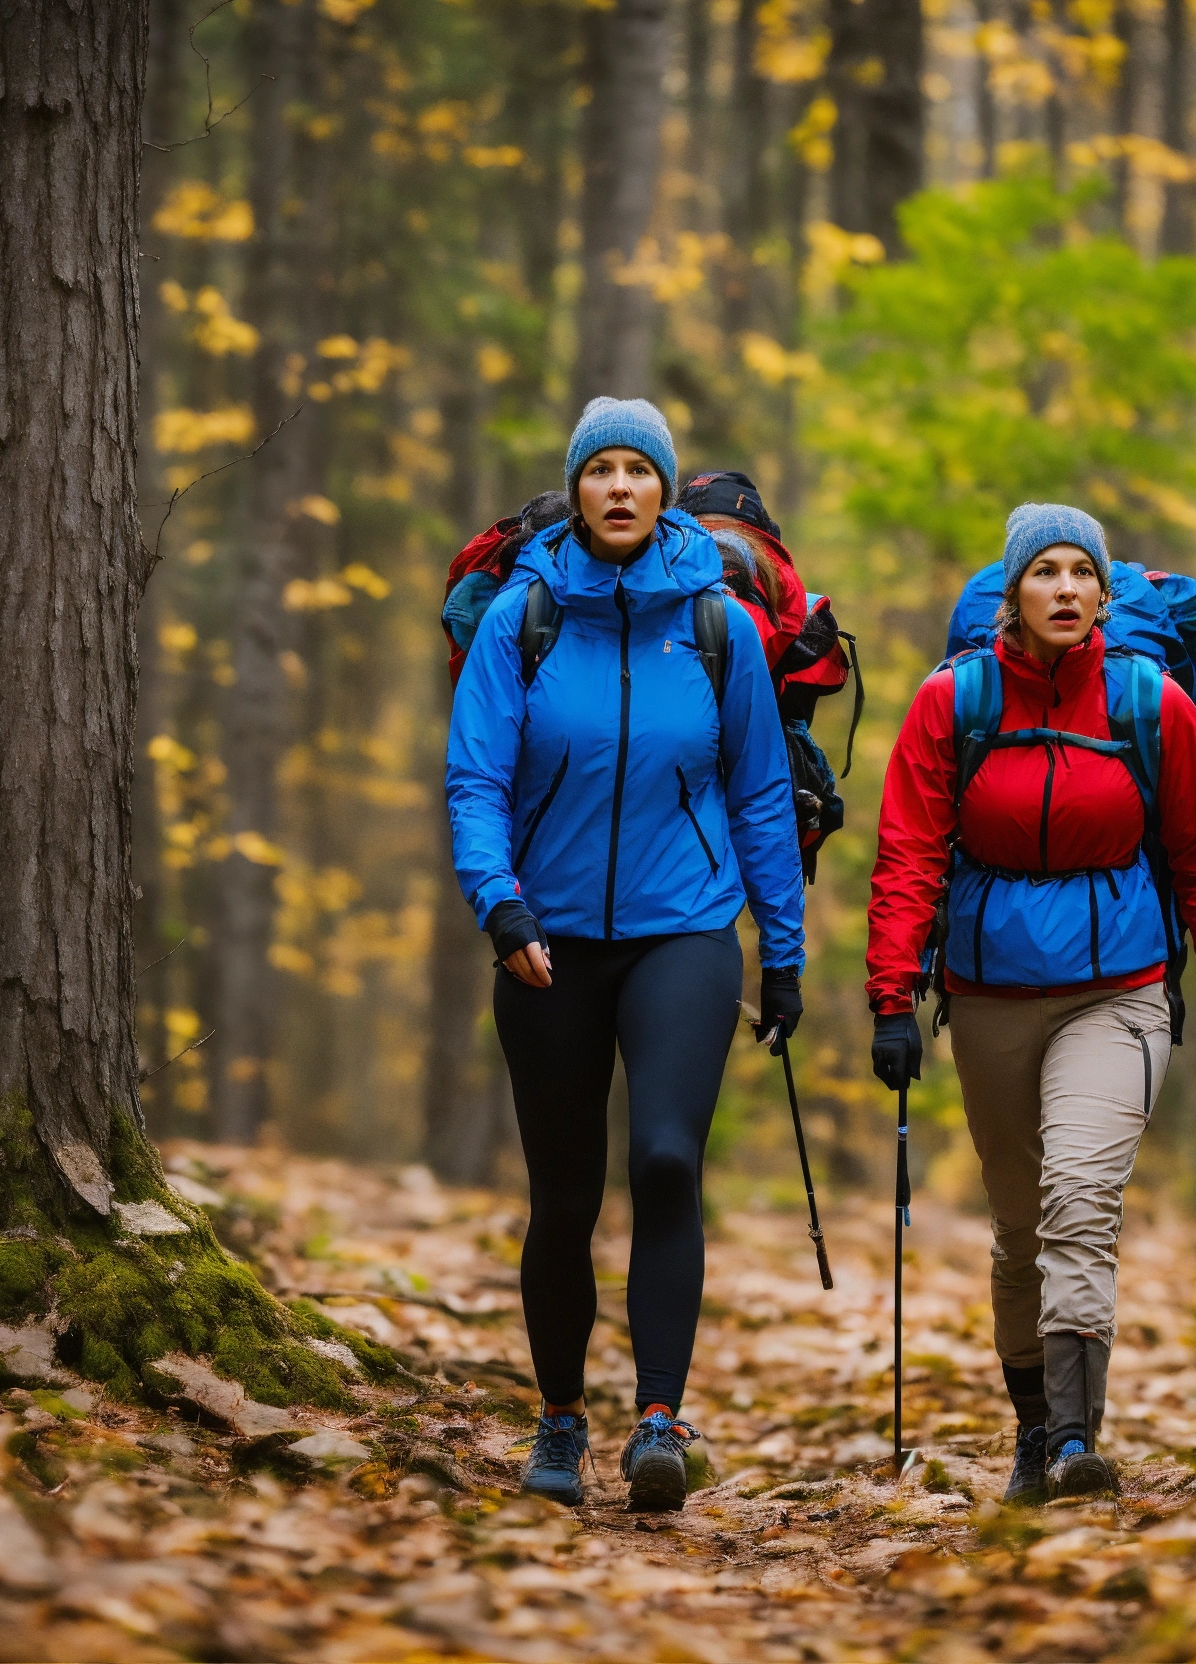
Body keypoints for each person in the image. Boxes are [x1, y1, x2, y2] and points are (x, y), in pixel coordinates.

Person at [446, 397, 807, 1513]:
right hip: (544, 942)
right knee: (564, 1193)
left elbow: (756, 792)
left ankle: (659, 1416)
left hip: (683, 934)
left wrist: (781, 948)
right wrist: (500, 907)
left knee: (663, 1160)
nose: (616, 487)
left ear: (663, 490)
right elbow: (475, 782)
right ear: (578, 488)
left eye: (635, 470)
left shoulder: (716, 625)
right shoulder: (524, 617)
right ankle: (558, 1420)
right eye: (597, 469)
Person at [864, 503, 1196, 1503]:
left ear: (1105, 592)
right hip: (989, 994)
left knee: (1077, 1202)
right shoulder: (952, 700)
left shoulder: (1148, 702)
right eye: (1046, 571)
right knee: (1018, 1232)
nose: (1069, 589)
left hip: (1118, 992)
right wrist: (890, 996)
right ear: (1013, 591)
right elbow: (907, 852)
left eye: (1084, 571)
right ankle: (1034, 1430)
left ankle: (1078, 1436)